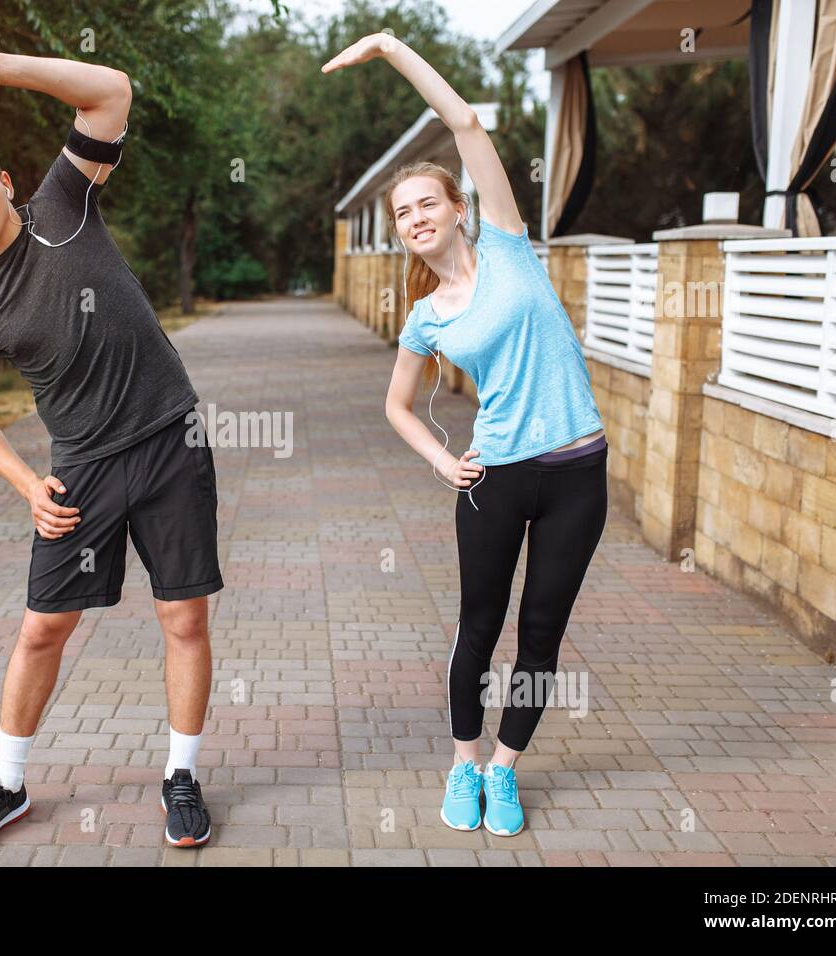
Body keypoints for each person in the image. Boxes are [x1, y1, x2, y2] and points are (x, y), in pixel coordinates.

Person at [0, 48, 222, 853]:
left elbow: (114, 91)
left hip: (169, 439)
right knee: (41, 630)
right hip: (80, 471)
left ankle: (181, 775)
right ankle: (7, 786)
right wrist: (27, 484)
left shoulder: (64, 202)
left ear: (7, 183)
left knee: (182, 616)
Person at [324, 33, 608, 837]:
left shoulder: (513, 249)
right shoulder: (424, 318)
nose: (415, 218)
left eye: (426, 204)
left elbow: (467, 127)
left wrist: (389, 48)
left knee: (543, 634)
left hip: (579, 471)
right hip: (496, 478)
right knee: (478, 628)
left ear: (457, 210)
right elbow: (397, 407)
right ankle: (461, 764)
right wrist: (445, 461)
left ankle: (504, 772)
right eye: (402, 212)